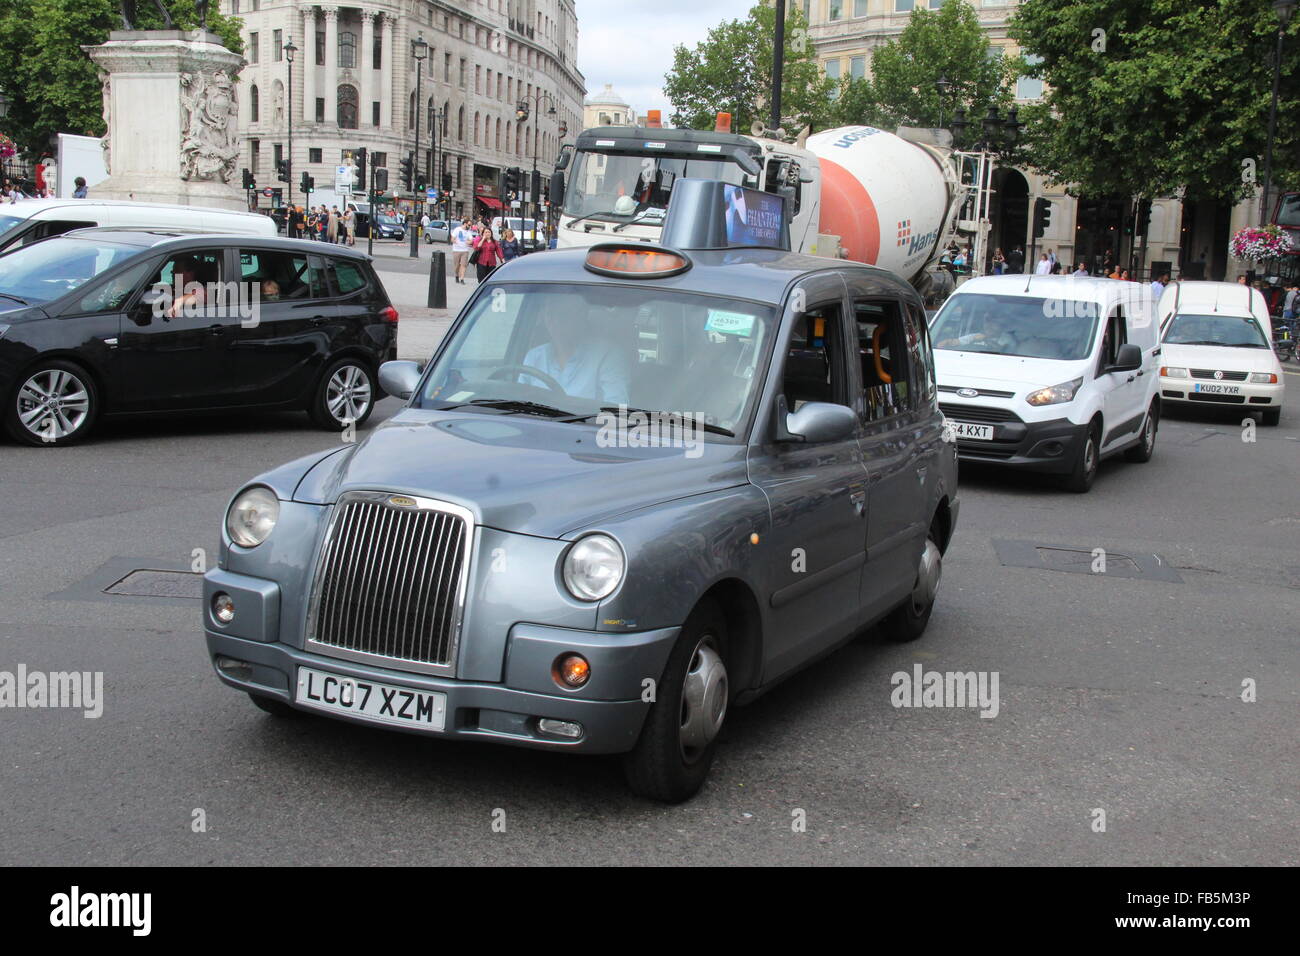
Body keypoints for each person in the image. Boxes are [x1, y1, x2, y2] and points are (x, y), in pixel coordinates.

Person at [520, 306, 631, 405]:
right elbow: (518, 401)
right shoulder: (534, 356)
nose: (555, 321)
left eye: (563, 314)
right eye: (549, 314)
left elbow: (615, 410)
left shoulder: (608, 355)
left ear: (581, 316)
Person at [451, 219, 474, 283]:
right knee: (457, 265)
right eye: (469, 225)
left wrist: (469, 242)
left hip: (465, 250)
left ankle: (462, 278)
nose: (469, 226)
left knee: (463, 265)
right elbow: (452, 239)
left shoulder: (468, 232)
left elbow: (471, 240)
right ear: (465, 224)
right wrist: (455, 241)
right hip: (456, 250)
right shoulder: (457, 229)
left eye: (470, 225)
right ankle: (456, 275)